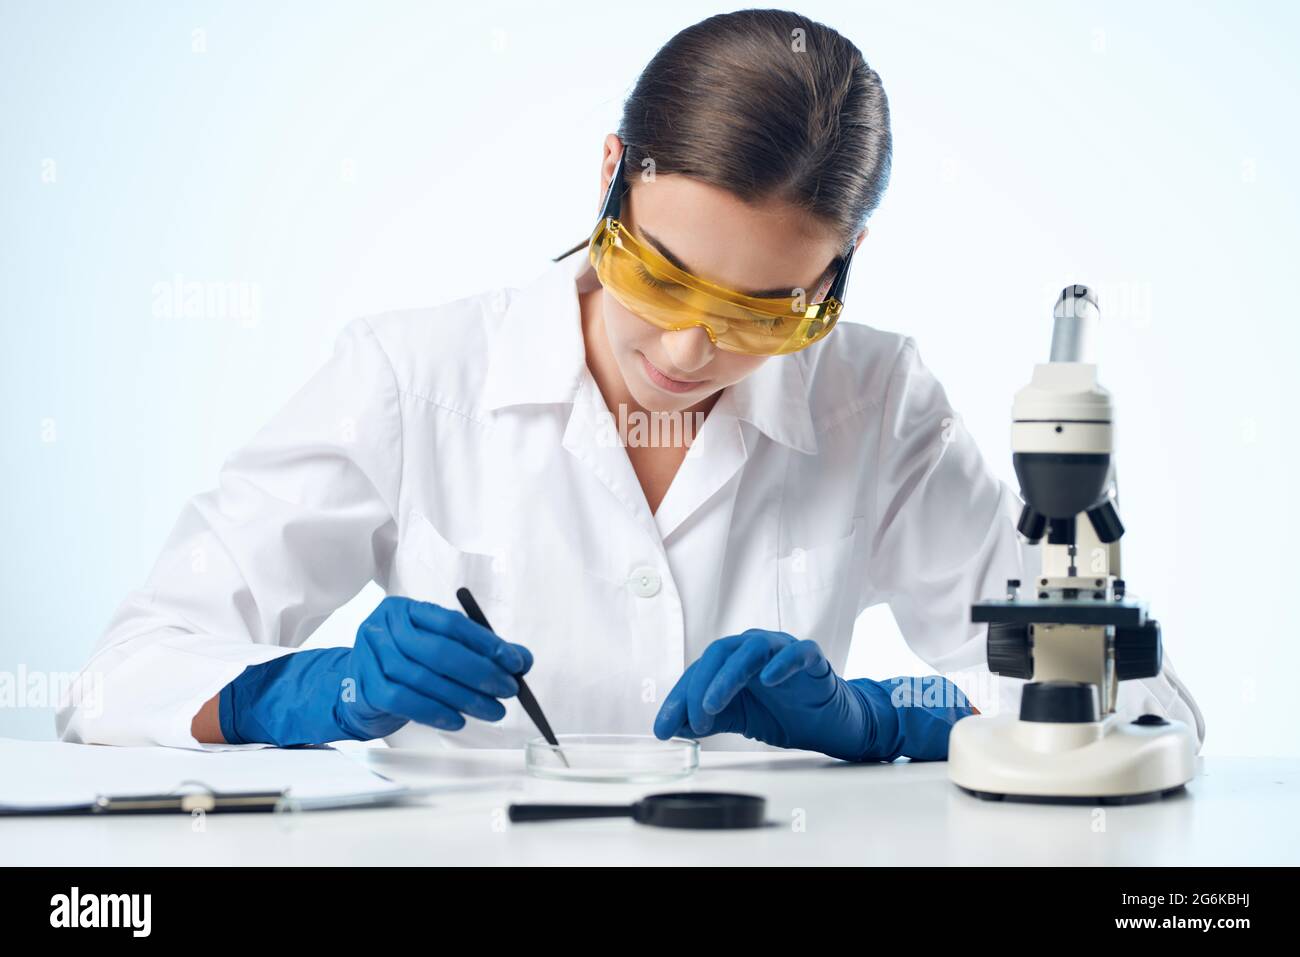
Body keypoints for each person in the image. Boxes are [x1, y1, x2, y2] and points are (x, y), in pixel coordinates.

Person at [56, 9, 1204, 760]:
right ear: (610, 176)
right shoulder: (411, 377)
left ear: (843, 263)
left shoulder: (879, 398)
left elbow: (1146, 721)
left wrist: (881, 721)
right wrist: (281, 696)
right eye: (657, 273)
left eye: (763, 312)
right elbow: (121, 679)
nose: (691, 351)